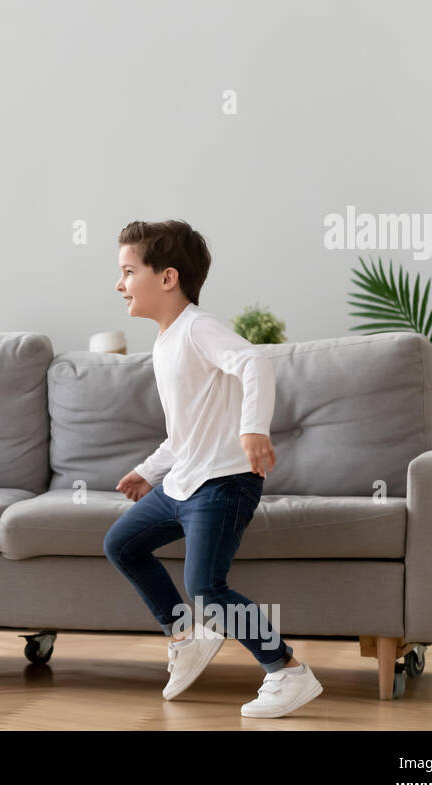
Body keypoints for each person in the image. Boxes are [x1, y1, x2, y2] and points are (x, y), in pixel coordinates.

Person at [101, 219, 322, 718]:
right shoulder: (165, 342)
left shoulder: (197, 328)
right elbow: (184, 434)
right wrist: (149, 471)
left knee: (206, 587)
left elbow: (255, 364)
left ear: (168, 278)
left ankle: (287, 671)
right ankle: (185, 636)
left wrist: (253, 429)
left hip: (223, 484)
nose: (119, 284)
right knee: (121, 544)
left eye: (129, 272)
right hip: (184, 481)